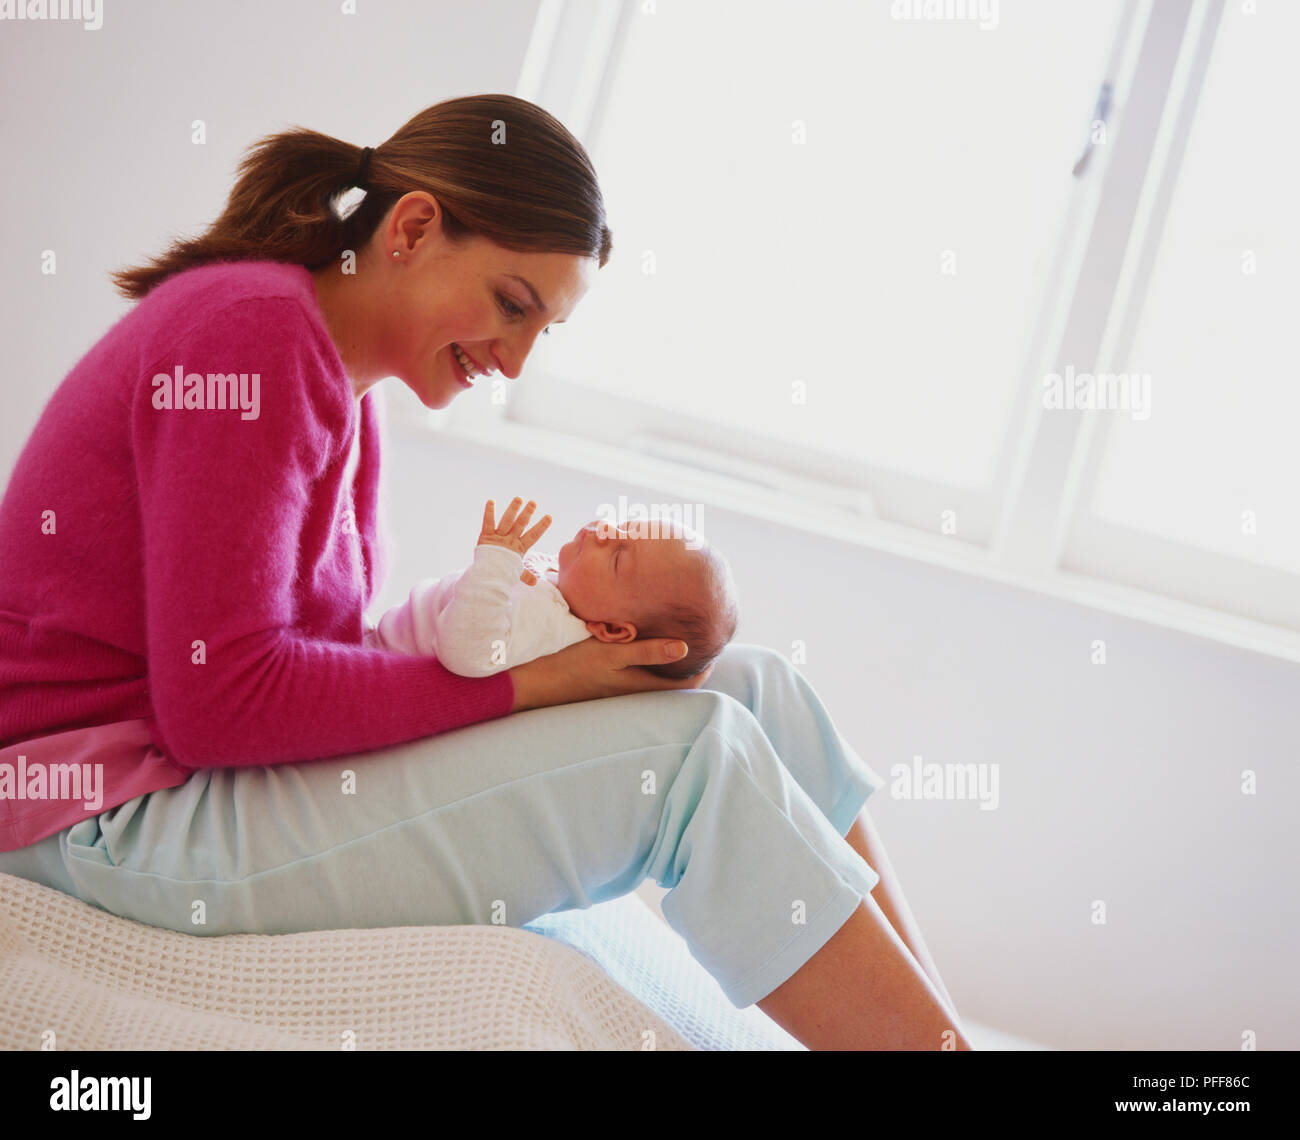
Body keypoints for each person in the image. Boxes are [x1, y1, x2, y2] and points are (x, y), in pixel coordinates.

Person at [0, 93, 968, 1050]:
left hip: (176, 780)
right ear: (413, 228)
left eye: (542, 330)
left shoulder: (342, 395)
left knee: (752, 688)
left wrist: (528, 671)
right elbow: (218, 708)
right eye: (513, 305)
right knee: (695, 756)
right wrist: (534, 682)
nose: (513, 360)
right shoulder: (250, 338)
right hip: (107, 812)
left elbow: (298, 678)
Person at [366, 496, 738, 682]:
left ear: (611, 630)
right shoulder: (565, 589)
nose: (604, 531)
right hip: (375, 642)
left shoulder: (550, 623)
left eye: (619, 557)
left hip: (386, 665)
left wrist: (497, 561)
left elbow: (465, 655)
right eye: (624, 524)